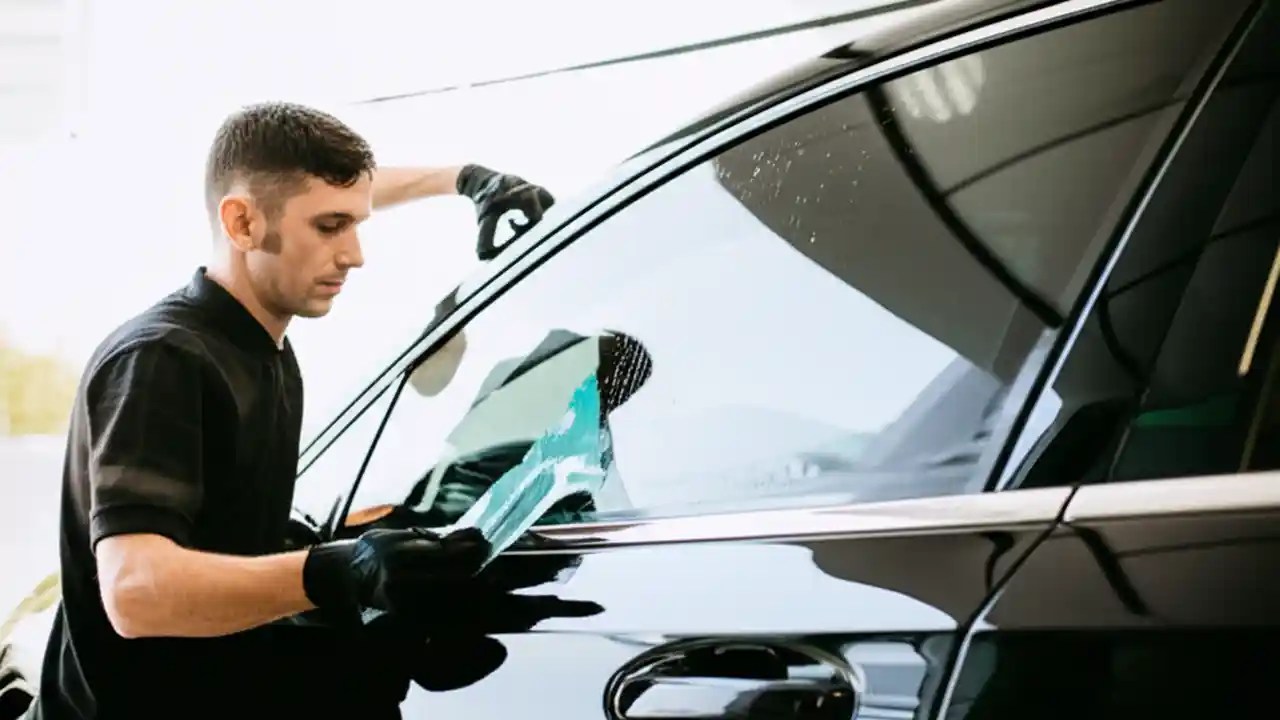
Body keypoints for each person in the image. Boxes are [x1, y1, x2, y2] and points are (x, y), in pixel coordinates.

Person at [26, 101, 559, 719]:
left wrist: (465, 179)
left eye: (357, 223)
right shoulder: (164, 359)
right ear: (241, 224)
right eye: (331, 228)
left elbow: (309, 194)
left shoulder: (260, 349)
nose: (355, 253)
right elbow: (134, 591)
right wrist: (340, 573)